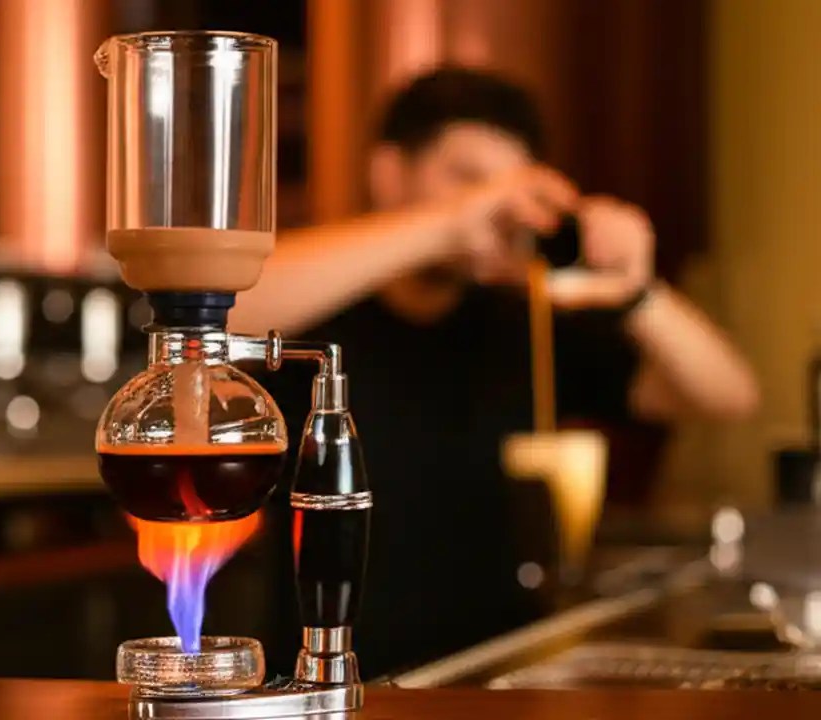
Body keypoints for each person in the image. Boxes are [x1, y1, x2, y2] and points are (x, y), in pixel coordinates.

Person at [234, 68, 759, 675]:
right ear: (389, 172)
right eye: (466, 176)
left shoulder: (527, 318)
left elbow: (728, 395)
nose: (490, 205)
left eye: (506, 186)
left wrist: (637, 292)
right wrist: (451, 222)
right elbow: (222, 301)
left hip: (503, 673)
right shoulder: (317, 309)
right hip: (329, 679)